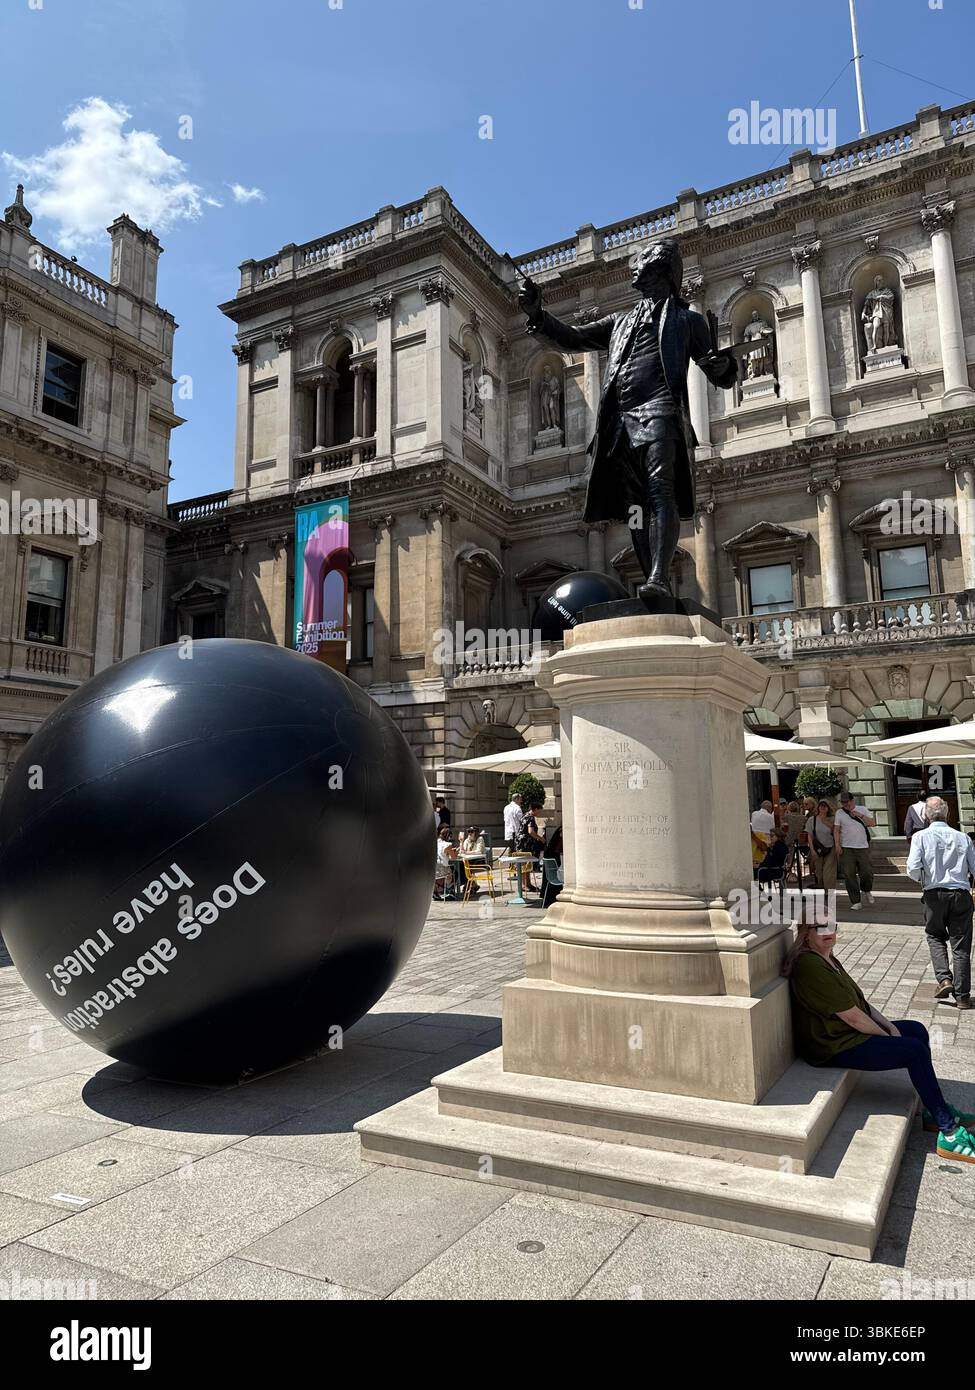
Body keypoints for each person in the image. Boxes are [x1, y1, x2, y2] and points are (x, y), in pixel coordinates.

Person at [783, 913, 975, 1162]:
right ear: (805, 932)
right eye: (819, 927)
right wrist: (888, 1036)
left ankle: (932, 1110)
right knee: (913, 1050)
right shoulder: (809, 966)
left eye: (832, 926)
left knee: (915, 1030)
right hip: (832, 1044)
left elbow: (862, 1004)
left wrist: (889, 1027)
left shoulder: (828, 958)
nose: (828, 932)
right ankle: (949, 1133)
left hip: (846, 1032)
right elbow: (853, 1017)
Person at [906, 795, 975, 1011]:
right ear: (947, 814)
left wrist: (924, 881)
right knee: (961, 945)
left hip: (934, 894)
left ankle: (944, 979)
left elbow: (912, 868)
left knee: (935, 935)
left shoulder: (920, 837)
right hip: (960, 893)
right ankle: (963, 997)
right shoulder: (963, 838)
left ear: (926, 814)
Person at [834, 791, 875, 909]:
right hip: (847, 847)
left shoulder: (862, 809)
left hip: (862, 847)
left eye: (847, 802)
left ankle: (866, 889)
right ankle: (855, 901)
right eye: (843, 803)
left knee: (866, 872)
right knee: (849, 874)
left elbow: (872, 823)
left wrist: (859, 815)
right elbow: (836, 830)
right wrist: (837, 845)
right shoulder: (839, 813)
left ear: (852, 801)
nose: (845, 805)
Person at [806, 799, 838, 892]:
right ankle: (823, 886)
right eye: (821, 805)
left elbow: (836, 831)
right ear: (818, 807)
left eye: (825, 805)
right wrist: (812, 850)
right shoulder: (812, 820)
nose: (823, 807)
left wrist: (825, 821)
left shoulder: (833, 819)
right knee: (819, 871)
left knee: (829, 871)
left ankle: (829, 891)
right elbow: (810, 836)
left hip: (831, 848)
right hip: (818, 849)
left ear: (828, 808)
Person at [757, 827, 789, 893]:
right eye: (770, 836)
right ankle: (759, 889)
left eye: (772, 836)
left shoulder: (777, 847)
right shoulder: (782, 845)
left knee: (753, 873)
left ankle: (758, 890)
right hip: (779, 870)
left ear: (778, 836)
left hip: (773, 871)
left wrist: (760, 864)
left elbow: (772, 861)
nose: (770, 837)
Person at [433, 825, 457, 901]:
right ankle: (451, 892)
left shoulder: (435, 842)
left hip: (434, 869)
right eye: (450, 837)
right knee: (453, 872)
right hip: (443, 869)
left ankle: (435, 892)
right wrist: (456, 852)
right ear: (448, 836)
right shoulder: (447, 845)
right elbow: (454, 857)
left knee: (439, 875)